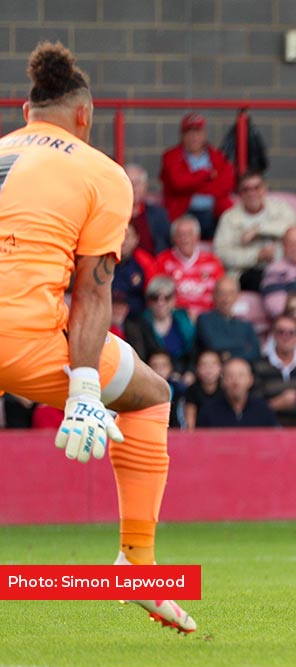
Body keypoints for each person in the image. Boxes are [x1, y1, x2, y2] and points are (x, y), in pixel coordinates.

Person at [0, 42, 195, 630]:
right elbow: (91, 290)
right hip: (24, 339)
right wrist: (84, 388)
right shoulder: (101, 172)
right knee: (151, 394)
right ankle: (135, 565)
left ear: (25, 112)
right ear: (85, 115)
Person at [212, 172, 296, 289]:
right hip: (247, 273)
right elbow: (221, 254)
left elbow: (295, 230)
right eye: (246, 189)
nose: (252, 193)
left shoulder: (281, 208)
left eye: (256, 188)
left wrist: (257, 229)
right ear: (240, 193)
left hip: (281, 267)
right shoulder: (229, 218)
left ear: (265, 189)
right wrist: (256, 256)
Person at [160, 112, 235, 239]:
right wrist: (206, 175)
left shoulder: (217, 157)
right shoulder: (171, 156)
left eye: (198, 132)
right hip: (183, 212)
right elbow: (178, 183)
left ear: (204, 134)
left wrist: (191, 183)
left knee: (231, 226)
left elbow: (226, 185)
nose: (194, 137)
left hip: (213, 213)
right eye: (189, 132)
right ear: (182, 135)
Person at [124, 275, 197, 376]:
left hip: (183, 376)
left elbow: (192, 352)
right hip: (153, 376)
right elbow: (140, 358)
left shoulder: (184, 320)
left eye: (166, 298)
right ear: (149, 301)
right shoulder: (139, 324)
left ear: (174, 299)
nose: (160, 302)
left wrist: (190, 372)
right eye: (155, 298)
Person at [194, 275, 261, 362]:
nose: (226, 298)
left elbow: (255, 351)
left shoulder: (245, 324)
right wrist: (242, 348)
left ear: (237, 296)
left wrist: (230, 354)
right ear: (214, 295)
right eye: (222, 293)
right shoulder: (204, 320)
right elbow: (215, 344)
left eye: (231, 293)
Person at [197, 357, 277, 428]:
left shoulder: (262, 409)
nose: (236, 382)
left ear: (251, 380)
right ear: (222, 381)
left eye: (241, 376)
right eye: (230, 376)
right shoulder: (208, 411)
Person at [124, 163, 171, 256]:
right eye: (128, 183)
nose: (133, 188)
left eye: (137, 183)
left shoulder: (158, 215)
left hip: (151, 267)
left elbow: (167, 247)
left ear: (145, 186)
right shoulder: (113, 215)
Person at [113, 223, 156, 318]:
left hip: (137, 316)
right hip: (108, 314)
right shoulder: (104, 261)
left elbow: (153, 293)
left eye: (127, 236)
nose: (123, 241)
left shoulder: (144, 261)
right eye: (119, 236)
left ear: (136, 239)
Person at [183, 349, 224, 429]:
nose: (209, 369)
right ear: (197, 369)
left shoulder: (225, 389)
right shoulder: (192, 391)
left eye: (213, 364)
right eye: (204, 365)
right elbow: (190, 424)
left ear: (221, 368)